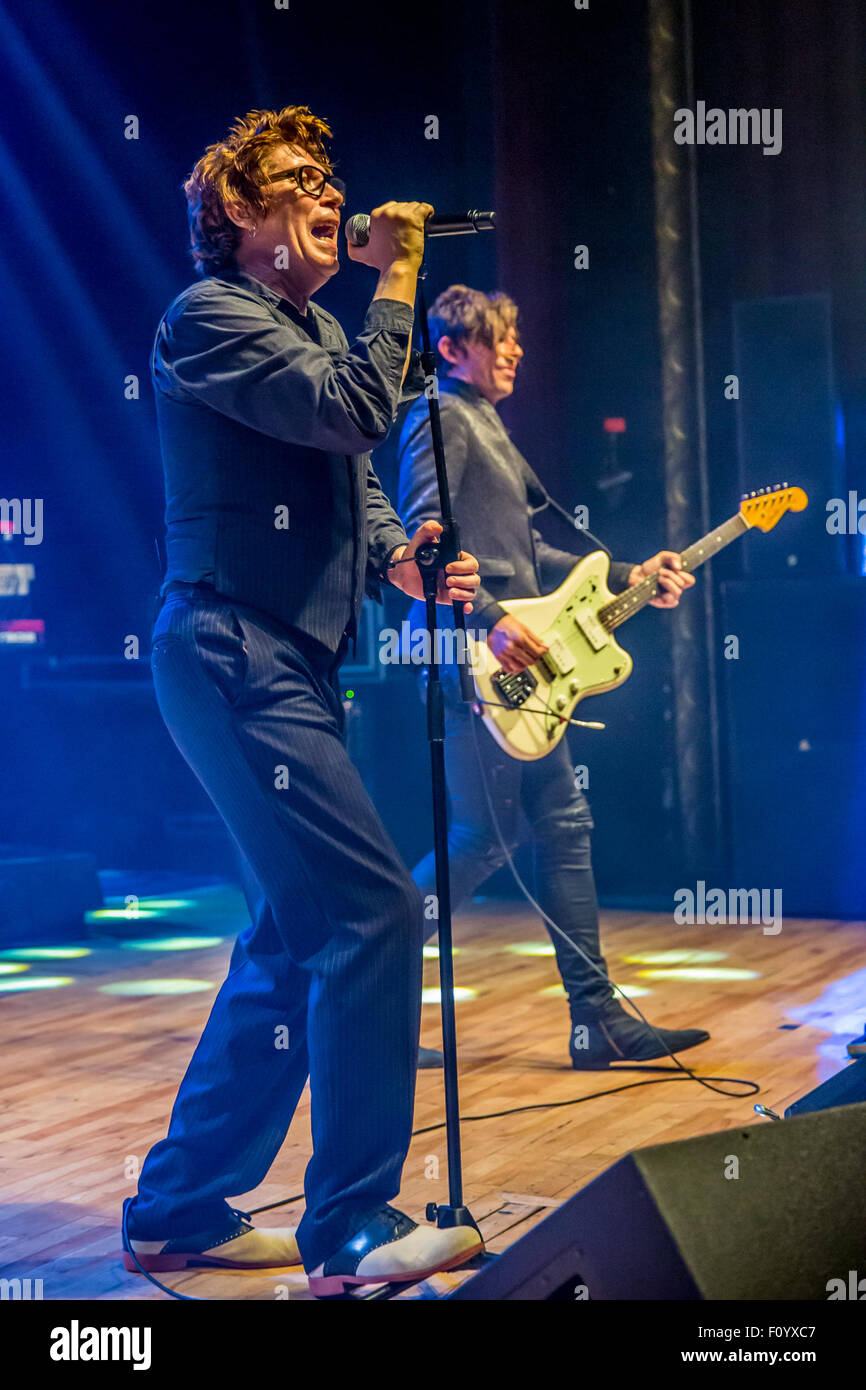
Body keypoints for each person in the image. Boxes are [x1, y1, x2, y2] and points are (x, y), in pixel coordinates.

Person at [122, 108, 482, 1298]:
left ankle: (175, 1210)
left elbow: (354, 479)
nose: (332, 192)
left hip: (287, 659)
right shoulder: (207, 317)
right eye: (300, 180)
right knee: (373, 913)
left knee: (292, 935)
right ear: (238, 212)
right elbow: (348, 410)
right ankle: (351, 1231)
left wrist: (407, 555)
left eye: (334, 174)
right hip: (231, 649)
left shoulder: (314, 326)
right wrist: (401, 280)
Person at [398, 285, 710, 1070]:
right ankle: (361, 992)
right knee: (476, 841)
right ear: (450, 348)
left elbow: (534, 556)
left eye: (516, 337)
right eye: (498, 338)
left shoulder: (488, 426)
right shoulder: (438, 421)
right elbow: (420, 545)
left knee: (563, 828)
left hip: (522, 658)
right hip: (473, 654)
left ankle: (595, 1020)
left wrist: (629, 572)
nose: (515, 351)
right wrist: (491, 618)